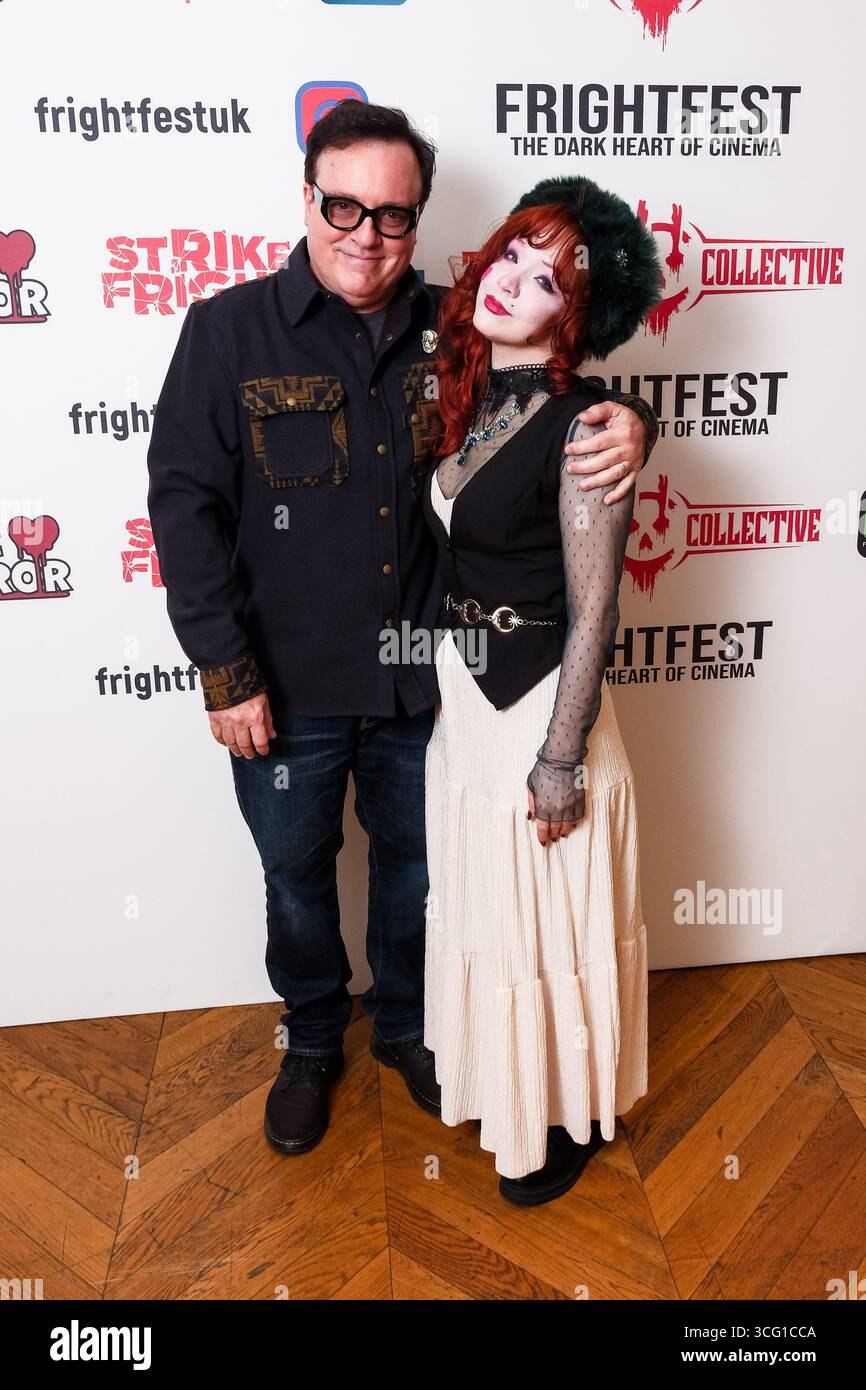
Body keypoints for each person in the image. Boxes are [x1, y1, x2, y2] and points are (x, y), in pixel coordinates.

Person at [145, 101, 658, 1159]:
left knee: (418, 875)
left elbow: (552, 382)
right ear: (307, 198)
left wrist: (629, 419)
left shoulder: (457, 326)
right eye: (343, 206)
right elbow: (183, 506)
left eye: (391, 215)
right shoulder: (225, 329)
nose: (363, 234)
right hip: (280, 687)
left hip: (431, 682)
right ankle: (313, 1039)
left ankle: (415, 1032)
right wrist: (224, 672)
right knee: (295, 873)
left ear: (416, 222)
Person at [421, 175, 661, 1205]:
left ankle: (558, 1118)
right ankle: (502, 1082)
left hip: (537, 720)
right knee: (496, 918)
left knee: (546, 926)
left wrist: (557, 761)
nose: (510, 279)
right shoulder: (466, 392)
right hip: (469, 710)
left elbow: (594, 609)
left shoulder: (584, 430)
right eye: (511, 251)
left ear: (577, 318)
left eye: (546, 278)